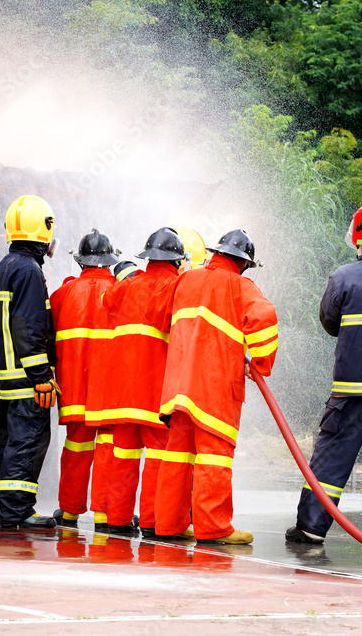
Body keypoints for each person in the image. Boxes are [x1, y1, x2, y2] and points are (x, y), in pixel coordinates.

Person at [286, 199, 362, 549]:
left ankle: (311, 527)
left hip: (353, 390)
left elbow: (330, 322)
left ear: (359, 234)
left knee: (332, 457)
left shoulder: (343, 276)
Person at [155, 229, 278, 546]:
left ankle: (169, 524)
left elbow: (156, 313)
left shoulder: (186, 279)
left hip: (179, 388)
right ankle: (213, 527)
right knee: (214, 456)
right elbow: (264, 317)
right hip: (214, 388)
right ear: (243, 262)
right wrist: (260, 363)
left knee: (178, 456)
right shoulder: (242, 287)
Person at [91, 227, 182, 536]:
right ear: (176, 260)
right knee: (158, 458)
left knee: (123, 457)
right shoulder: (175, 286)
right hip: (155, 393)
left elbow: (107, 299)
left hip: (121, 395)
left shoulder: (128, 285)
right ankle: (151, 523)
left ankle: (117, 520)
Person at [0, 195, 60, 529]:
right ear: (44, 230)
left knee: (4, 444)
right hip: (27, 379)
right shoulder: (29, 271)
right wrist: (41, 376)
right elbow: (27, 326)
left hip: (8, 377)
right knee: (27, 442)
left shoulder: (8, 265)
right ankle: (18, 511)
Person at [50, 229, 119, 529]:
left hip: (73, 387)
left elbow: (46, 337)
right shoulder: (119, 291)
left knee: (76, 447)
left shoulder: (62, 295)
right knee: (108, 447)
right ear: (110, 260)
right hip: (108, 388)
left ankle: (69, 511)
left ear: (81, 261)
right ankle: (104, 513)